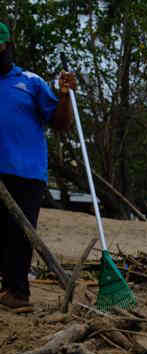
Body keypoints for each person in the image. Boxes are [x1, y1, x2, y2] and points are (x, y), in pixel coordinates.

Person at [0, 21, 75, 311]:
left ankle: (19, 293)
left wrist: (65, 95)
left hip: (25, 172)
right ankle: (7, 287)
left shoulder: (31, 82)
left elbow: (61, 123)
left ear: (9, 47)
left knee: (19, 233)